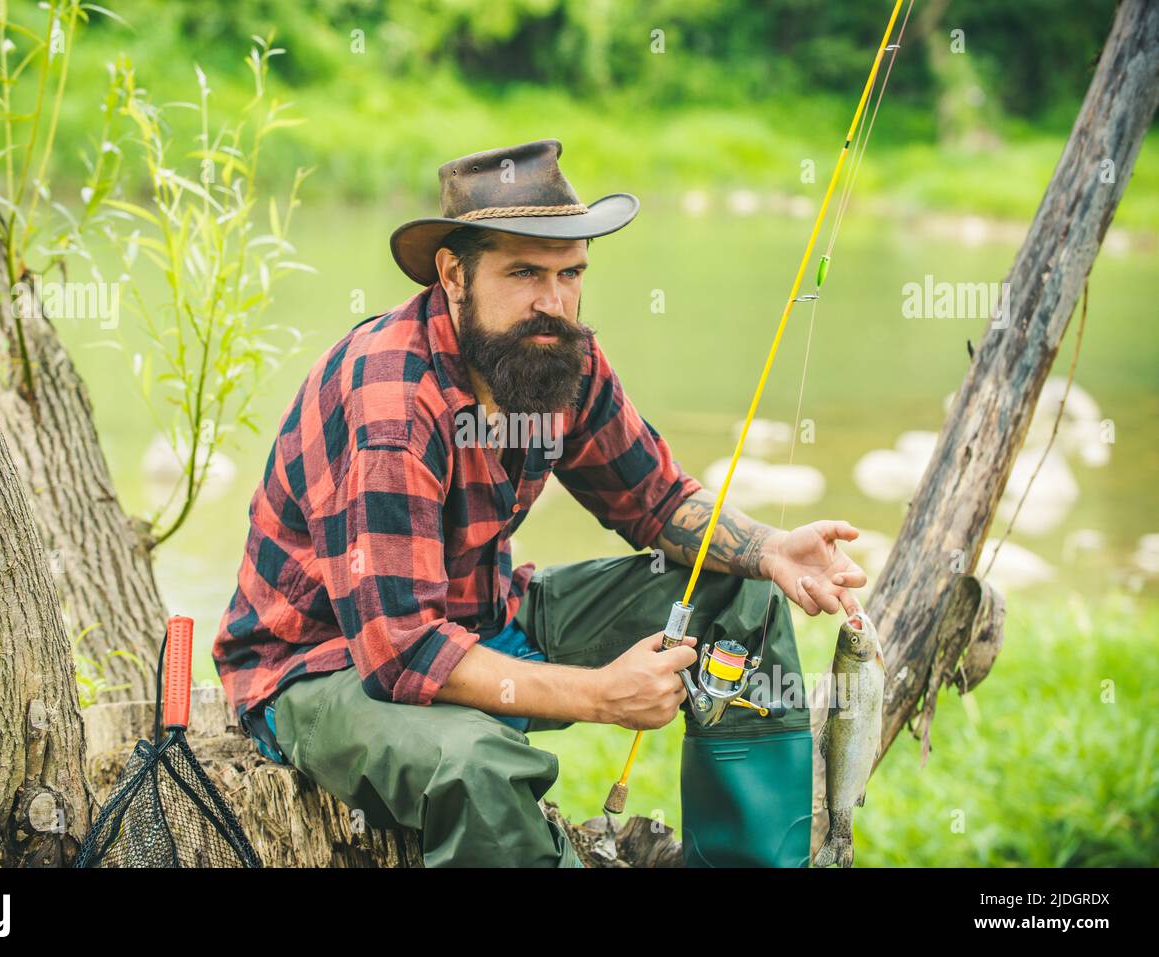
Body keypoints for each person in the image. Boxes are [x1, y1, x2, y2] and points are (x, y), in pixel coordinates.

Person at [212, 138, 866, 867]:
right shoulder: (391, 398)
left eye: (570, 273)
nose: (552, 301)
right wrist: (600, 694)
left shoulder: (558, 355)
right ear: (453, 274)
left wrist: (770, 548)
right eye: (524, 272)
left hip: (484, 618)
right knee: (477, 762)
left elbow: (655, 498)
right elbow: (399, 654)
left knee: (743, 595)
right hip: (324, 669)